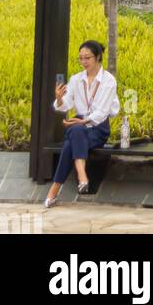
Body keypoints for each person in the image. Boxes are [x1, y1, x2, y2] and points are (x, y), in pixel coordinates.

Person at [44, 40, 120, 206]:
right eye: (81, 58)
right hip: (78, 126)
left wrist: (83, 120)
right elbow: (66, 104)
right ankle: (82, 176)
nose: (84, 62)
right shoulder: (76, 79)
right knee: (76, 131)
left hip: (98, 127)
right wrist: (58, 98)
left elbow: (103, 112)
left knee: (71, 139)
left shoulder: (108, 80)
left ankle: (55, 189)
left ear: (98, 57)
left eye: (88, 58)